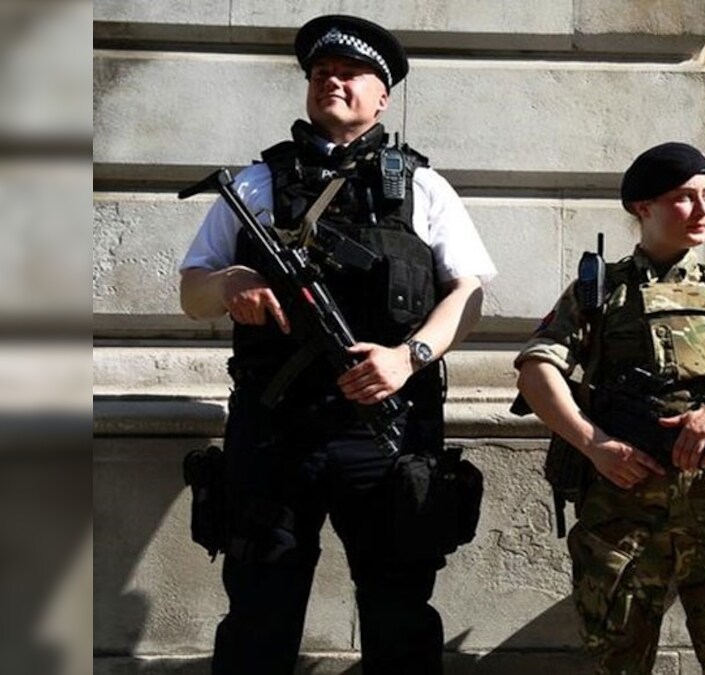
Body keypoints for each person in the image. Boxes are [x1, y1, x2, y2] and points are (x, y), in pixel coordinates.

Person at [177, 14, 496, 675]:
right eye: (321, 72)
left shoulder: (424, 188)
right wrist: (232, 279)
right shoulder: (255, 185)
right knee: (260, 610)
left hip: (386, 432)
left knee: (400, 614)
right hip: (275, 428)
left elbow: (469, 294)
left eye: (350, 73)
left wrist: (409, 359)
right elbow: (191, 292)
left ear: (383, 95)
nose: (332, 80)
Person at [514, 142, 705, 674]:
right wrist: (595, 445)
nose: (702, 211)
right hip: (625, 507)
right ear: (642, 208)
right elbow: (537, 369)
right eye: (683, 198)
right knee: (618, 662)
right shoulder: (600, 293)